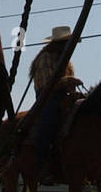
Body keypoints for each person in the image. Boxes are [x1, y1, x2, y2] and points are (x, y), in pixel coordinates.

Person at [29, 25, 77, 169]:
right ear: (59, 44)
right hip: (47, 97)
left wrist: (72, 89)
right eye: (67, 43)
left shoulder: (66, 62)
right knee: (49, 121)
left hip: (63, 95)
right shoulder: (45, 58)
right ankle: (43, 163)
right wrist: (68, 81)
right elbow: (47, 86)